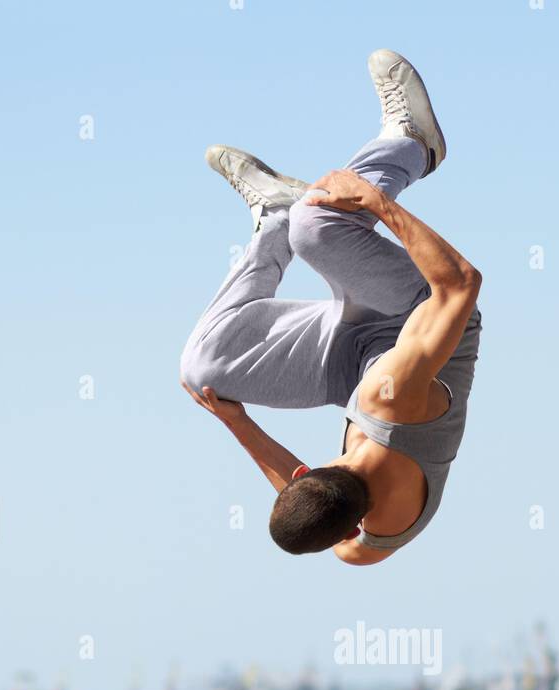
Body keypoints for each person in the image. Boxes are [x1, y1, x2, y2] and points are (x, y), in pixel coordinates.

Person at [179, 49, 481, 564]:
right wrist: (375, 202)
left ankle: (273, 216)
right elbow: (461, 284)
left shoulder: (366, 545)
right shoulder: (394, 403)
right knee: (315, 225)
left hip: (351, 368)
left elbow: (314, 511)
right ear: (308, 470)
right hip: (418, 317)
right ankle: (412, 145)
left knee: (203, 371)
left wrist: (237, 422)